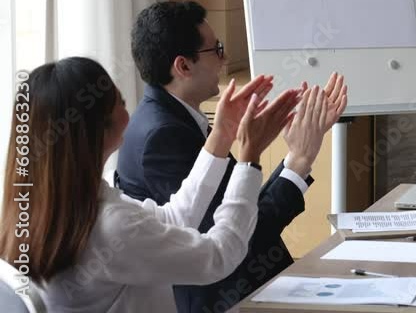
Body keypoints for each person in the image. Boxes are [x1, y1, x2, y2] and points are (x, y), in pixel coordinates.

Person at [0, 56, 330, 312]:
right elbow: (219, 256)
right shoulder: (110, 224)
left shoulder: (42, 209)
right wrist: (249, 157)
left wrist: (222, 134)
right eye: (120, 102)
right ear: (98, 129)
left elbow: (172, 218)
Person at [115, 1, 348, 312]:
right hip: (222, 298)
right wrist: (298, 161)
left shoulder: (172, 118)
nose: (224, 61)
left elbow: (241, 208)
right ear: (183, 66)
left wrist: (295, 158)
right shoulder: (163, 135)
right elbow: (238, 239)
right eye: (217, 50)